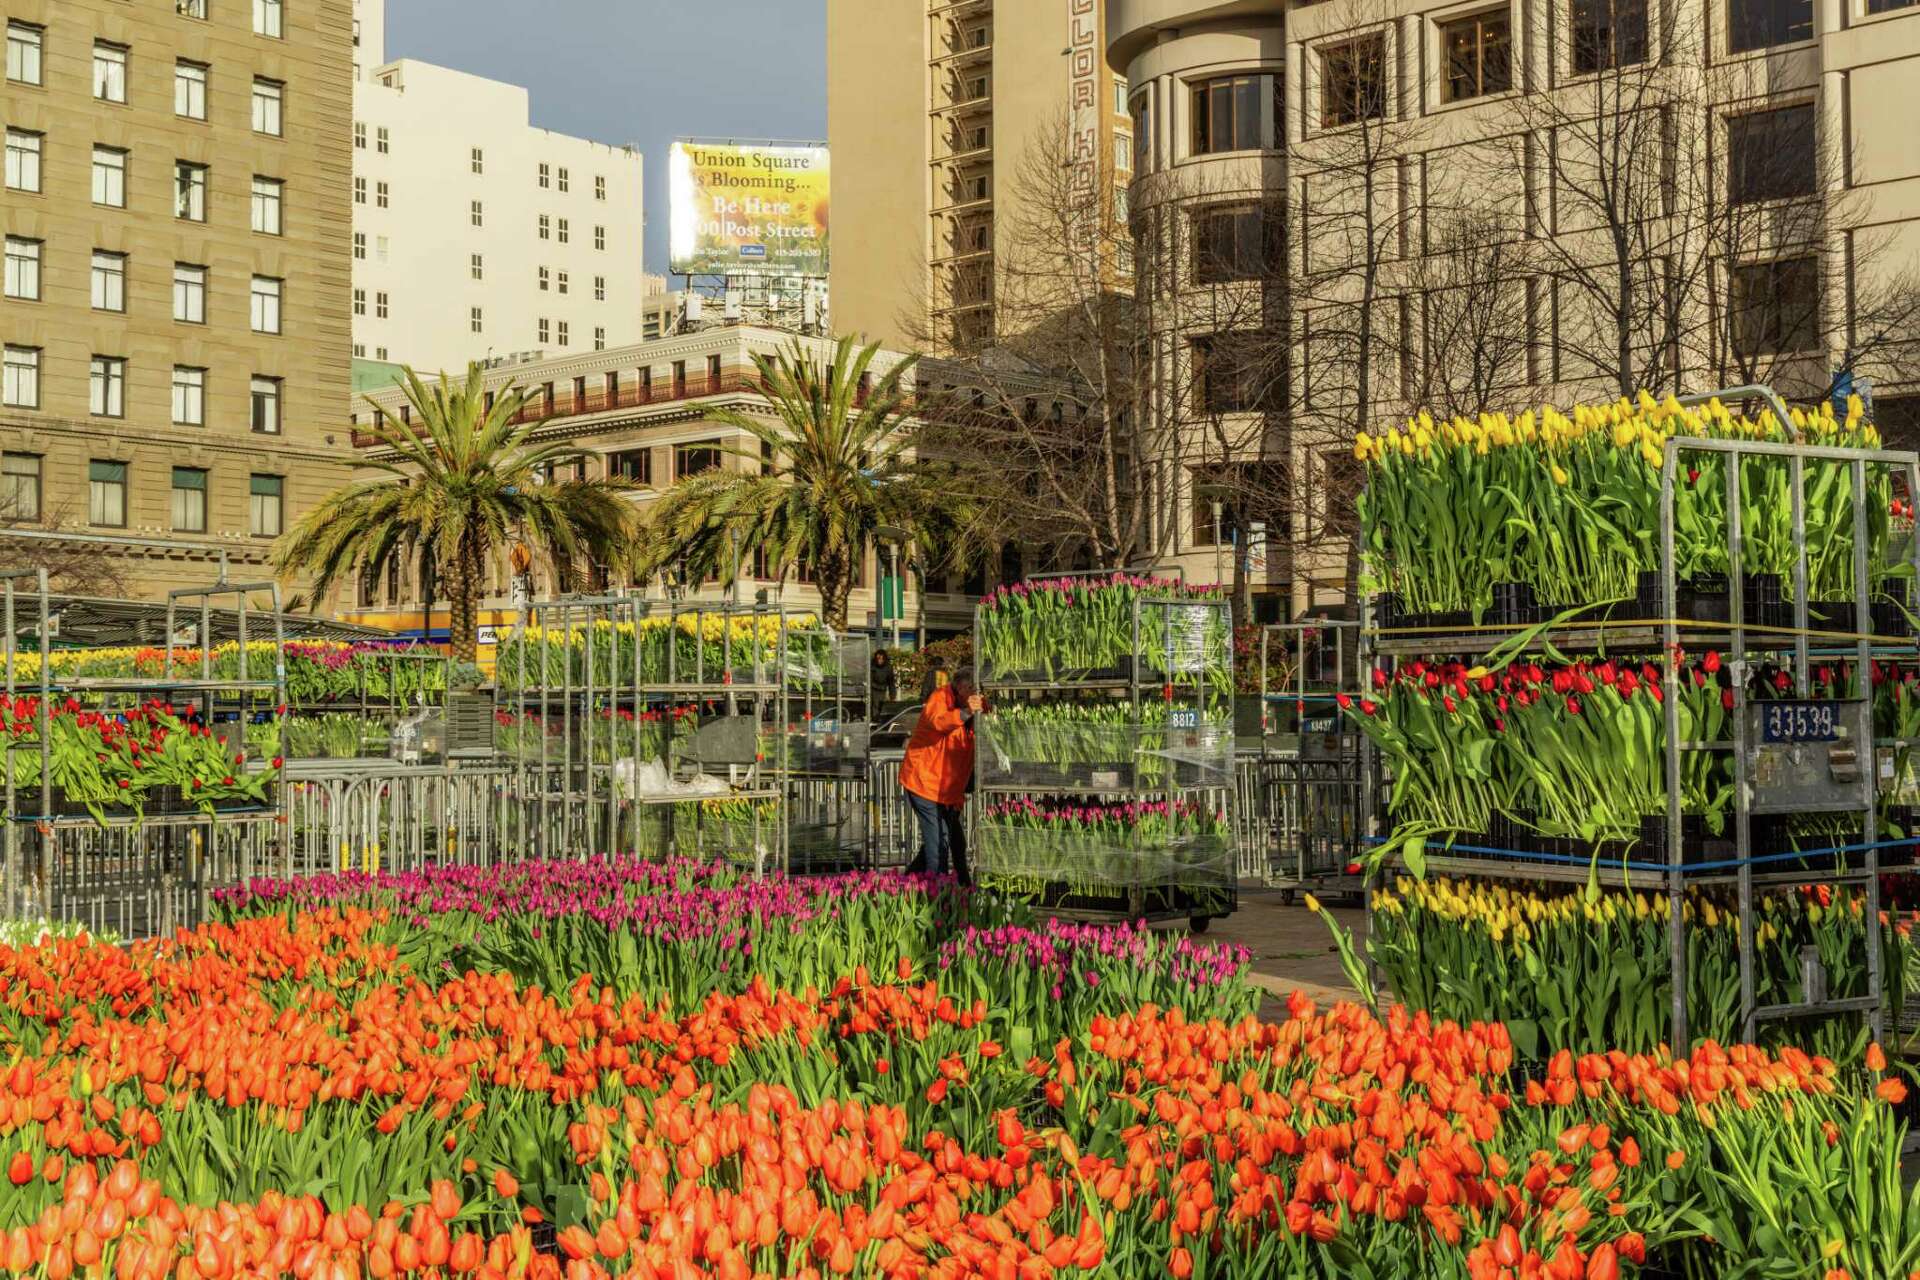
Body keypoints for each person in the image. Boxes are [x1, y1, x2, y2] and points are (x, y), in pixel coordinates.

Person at [900, 666, 980, 883]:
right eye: (973, 688)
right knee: (938, 844)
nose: (977, 694)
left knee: (953, 841)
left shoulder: (975, 704)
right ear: (962, 687)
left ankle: (906, 883)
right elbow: (939, 722)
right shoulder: (940, 697)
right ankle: (939, 894)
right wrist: (967, 713)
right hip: (925, 784)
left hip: (947, 790)